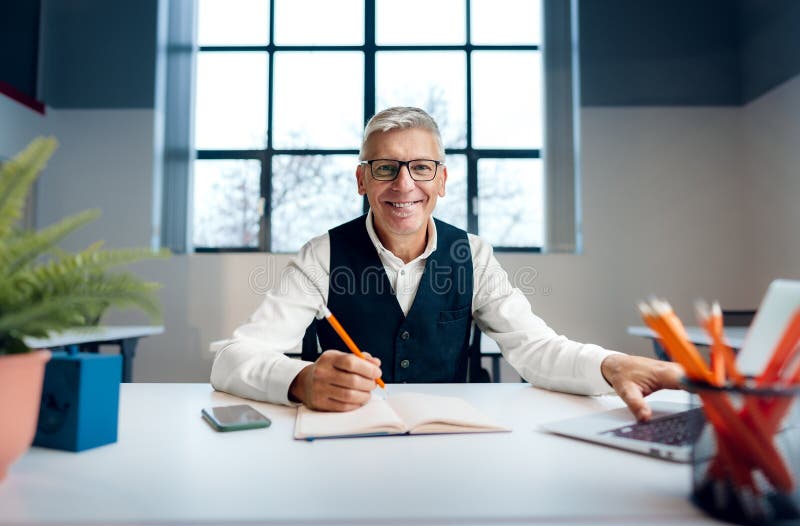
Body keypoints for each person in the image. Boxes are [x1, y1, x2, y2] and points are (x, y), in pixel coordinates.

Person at [211, 106, 682, 421]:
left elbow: (536, 350)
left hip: (450, 437)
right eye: (385, 168)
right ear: (361, 180)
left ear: (442, 180)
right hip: (344, 439)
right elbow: (233, 359)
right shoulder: (323, 254)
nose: (403, 184)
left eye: (420, 167)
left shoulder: (472, 255)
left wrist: (611, 365)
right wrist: (300, 380)